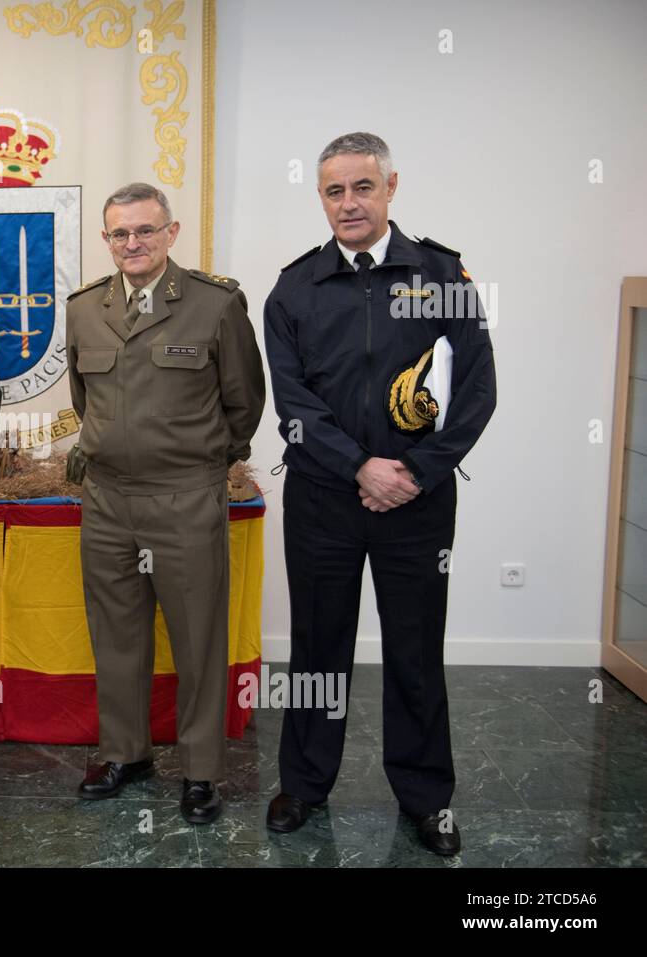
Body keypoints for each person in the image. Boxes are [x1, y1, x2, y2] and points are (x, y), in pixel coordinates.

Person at [262, 132, 496, 856]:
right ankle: (303, 783)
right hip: (323, 501)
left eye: (362, 187)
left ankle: (427, 797)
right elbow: (293, 404)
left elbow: (478, 391)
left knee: (416, 649)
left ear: (392, 186)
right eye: (334, 190)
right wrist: (361, 467)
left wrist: (418, 472)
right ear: (321, 197)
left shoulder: (442, 272)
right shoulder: (294, 286)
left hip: (419, 503)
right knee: (316, 647)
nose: (348, 202)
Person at [65, 182, 265, 824]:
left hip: (185, 500)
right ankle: (126, 751)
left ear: (172, 233)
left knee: (199, 637)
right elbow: (84, 401)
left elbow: (244, 404)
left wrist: (199, 464)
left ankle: (201, 769)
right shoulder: (84, 309)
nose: (132, 243)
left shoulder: (215, 305)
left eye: (145, 231)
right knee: (116, 634)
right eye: (119, 233)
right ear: (105, 239)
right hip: (107, 502)